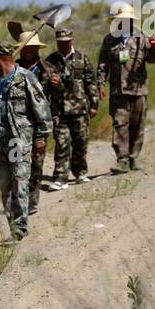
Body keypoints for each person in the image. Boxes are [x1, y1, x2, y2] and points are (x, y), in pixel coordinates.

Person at [0, 39, 51, 239]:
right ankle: (13, 223)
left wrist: (41, 138)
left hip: (18, 140)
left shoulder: (25, 78)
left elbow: (41, 109)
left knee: (19, 179)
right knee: (5, 185)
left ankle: (19, 227)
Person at [98, 1, 155, 173]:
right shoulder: (109, 40)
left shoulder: (142, 38)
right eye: (120, 19)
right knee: (120, 124)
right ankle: (122, 160)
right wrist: (100, 84)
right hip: (118, 90)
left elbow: (152, 59)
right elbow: (103, 64)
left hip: (138, 89)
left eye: (127, 19)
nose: (124, 22)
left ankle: (134, 158)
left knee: (138, 124)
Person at [42, 27, 99, 189]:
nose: (64, 45)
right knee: (62, 143)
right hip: (59, 110)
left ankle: (80, 172)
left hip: (80, 109)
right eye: (60, 42)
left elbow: (91, 83)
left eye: (66, 42)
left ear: (71, 40)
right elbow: (44, 87)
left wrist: (94, 104)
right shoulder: (50, 61)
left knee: (81, 142)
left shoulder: (82, 59)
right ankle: (60, 176)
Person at [14, 27, 57, 215]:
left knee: (37, 163)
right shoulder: (12, 69)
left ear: (38, 49)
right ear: (21, 49)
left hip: (38, 123)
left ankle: (32, 199)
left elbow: (60, 93)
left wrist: (58, 84)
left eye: (33, 47)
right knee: (16, 164)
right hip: (15, 125)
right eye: (26, 47)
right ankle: (18, 199)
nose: (30, 51)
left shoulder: (47, 68)